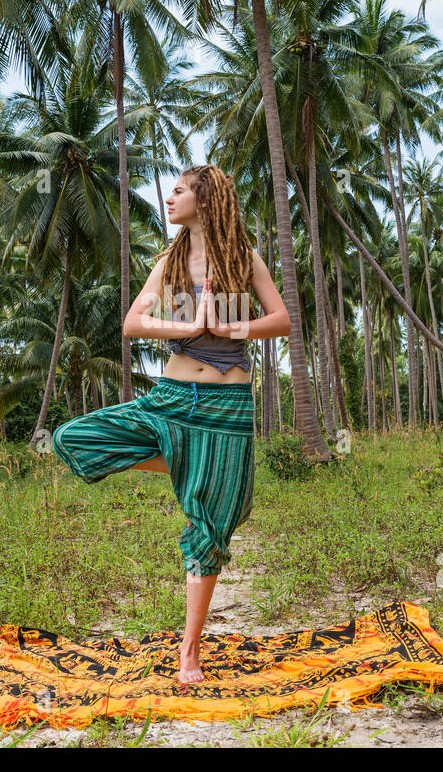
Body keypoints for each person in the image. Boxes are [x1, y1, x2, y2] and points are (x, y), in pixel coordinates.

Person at [51, 164, 290, 684]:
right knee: (71, 437)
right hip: (172, 397)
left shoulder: (244, 258)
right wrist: (188, 324)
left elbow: (282, 320)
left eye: (179, 191)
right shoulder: (170, 260)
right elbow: (134, 322)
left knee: (209, 527)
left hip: (227, 404)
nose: (169, 198)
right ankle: (191, 465)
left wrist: (230, 325)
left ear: (204, 199)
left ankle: (189, 651)